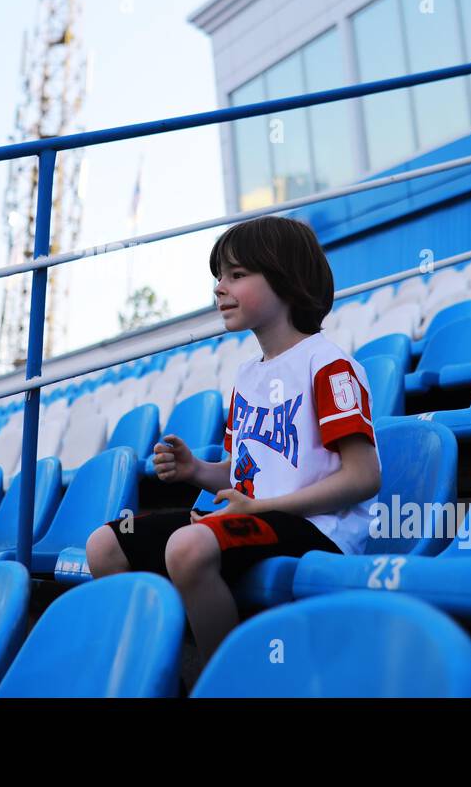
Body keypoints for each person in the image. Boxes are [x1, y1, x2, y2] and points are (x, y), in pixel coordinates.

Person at [85, 214, 383, 663]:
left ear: (287, 280)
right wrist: (196, 471)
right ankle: (151, 674)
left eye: (237, 275)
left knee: (188, 544)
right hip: (251, 518)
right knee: (106, 542)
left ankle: (225, 678)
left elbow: (364, 477)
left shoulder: (327, 365)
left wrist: (261, 507)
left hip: (317, 527)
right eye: (219, 277)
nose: (220, 288)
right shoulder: (247, 375)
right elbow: (244, 474)